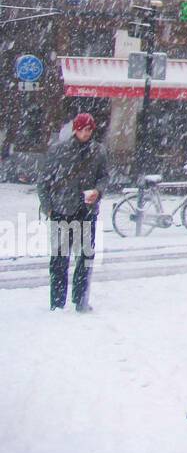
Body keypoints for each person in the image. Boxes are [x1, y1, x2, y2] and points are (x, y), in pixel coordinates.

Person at [38, 112, 109, 313]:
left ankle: (80, 300)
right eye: (84, 129)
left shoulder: (98, 151)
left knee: (85, 257)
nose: (87, 133)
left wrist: (98, 191)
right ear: (75, 129)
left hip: (86, 211)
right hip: (61, 210)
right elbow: (43, 182)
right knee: (60, 258)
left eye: (90, 130)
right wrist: (48, 208)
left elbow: (104, 176)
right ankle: (57, 303)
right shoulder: (58, 151)